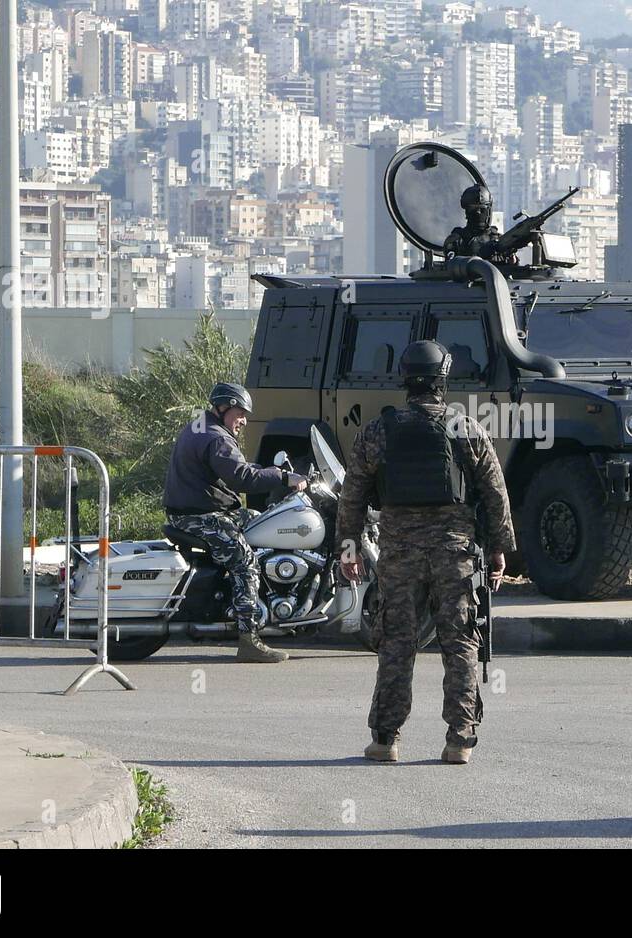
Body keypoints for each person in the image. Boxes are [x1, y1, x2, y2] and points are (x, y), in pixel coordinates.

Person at [336, 340, 513, 765]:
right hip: (455, 554)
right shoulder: (465, 428)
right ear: (443, 379)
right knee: (460, 643)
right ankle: (460, 740)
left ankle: (385, 739)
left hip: (398, 555)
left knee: (396, 644)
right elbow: (494, 491)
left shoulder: (376, 431)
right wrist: (499, 550)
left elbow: (352, 495)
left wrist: (349, 548)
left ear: (405, 379)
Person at [163, 382, 308, 662]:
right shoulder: (216, 437)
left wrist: (275, 472)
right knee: (245, 561)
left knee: (261, 521)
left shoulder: (204, 426)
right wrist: (282, 478)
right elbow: (240, 478)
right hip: (198, 516)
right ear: (223, 408)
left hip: (200, 509)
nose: (243, 420)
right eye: (240, 413)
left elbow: (236, 468)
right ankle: (249, 640)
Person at [442, 184, 511, 263]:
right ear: (467, 211)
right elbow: (451, 266)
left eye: (482, 209)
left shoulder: (499, 240)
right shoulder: (456, 241)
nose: (478, 213)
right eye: (473, 209)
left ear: (488, 210)